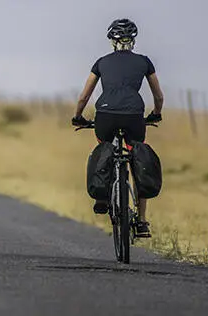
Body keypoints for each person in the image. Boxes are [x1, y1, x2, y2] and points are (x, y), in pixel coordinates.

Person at [72, 18, 164, 237]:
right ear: (133, 40)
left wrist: (77, 117)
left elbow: (84, 96)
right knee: (137, 157)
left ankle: (102, 197)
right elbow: (158, 95)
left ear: (112, 41)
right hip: (134, 115)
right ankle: (141, 221)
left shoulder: (101, 62)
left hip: (105, 114)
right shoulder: (145, 62)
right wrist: (156, 114)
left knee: (104, 146)